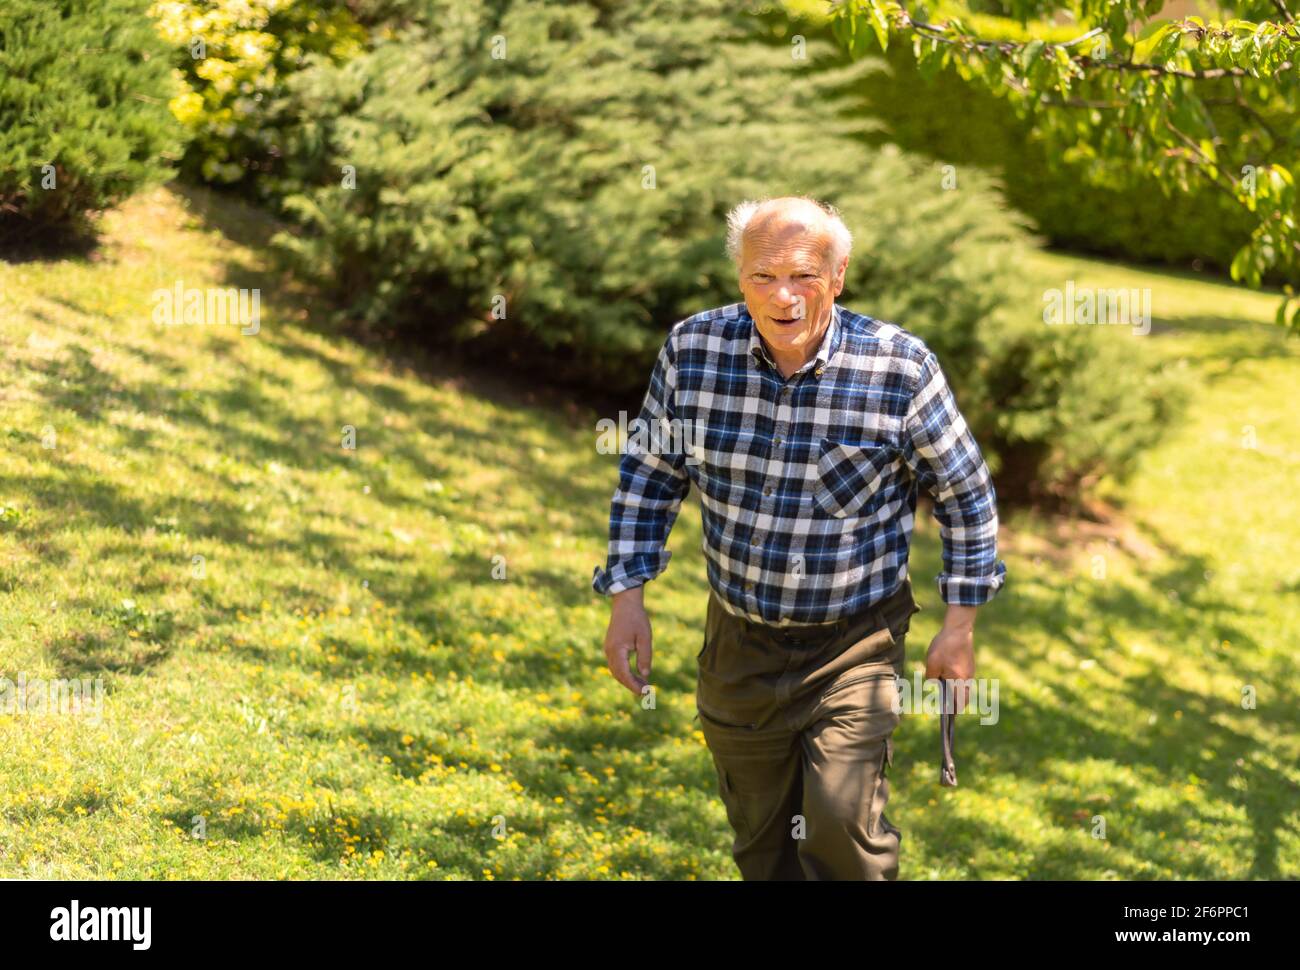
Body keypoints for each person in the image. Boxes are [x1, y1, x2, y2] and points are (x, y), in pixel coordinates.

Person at [592, 195, 1007, 880]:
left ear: (838, 276)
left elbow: (965, 494)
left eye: (804, 275)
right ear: (739, 277)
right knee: (761, 846)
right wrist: (626, 600)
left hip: (855, 642)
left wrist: (959, 626)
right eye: (763, 276)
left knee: (842, 830)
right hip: (739, 642)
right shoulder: (692, 352)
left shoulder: (898, 368)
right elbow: (650, 475)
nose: (783, 296)